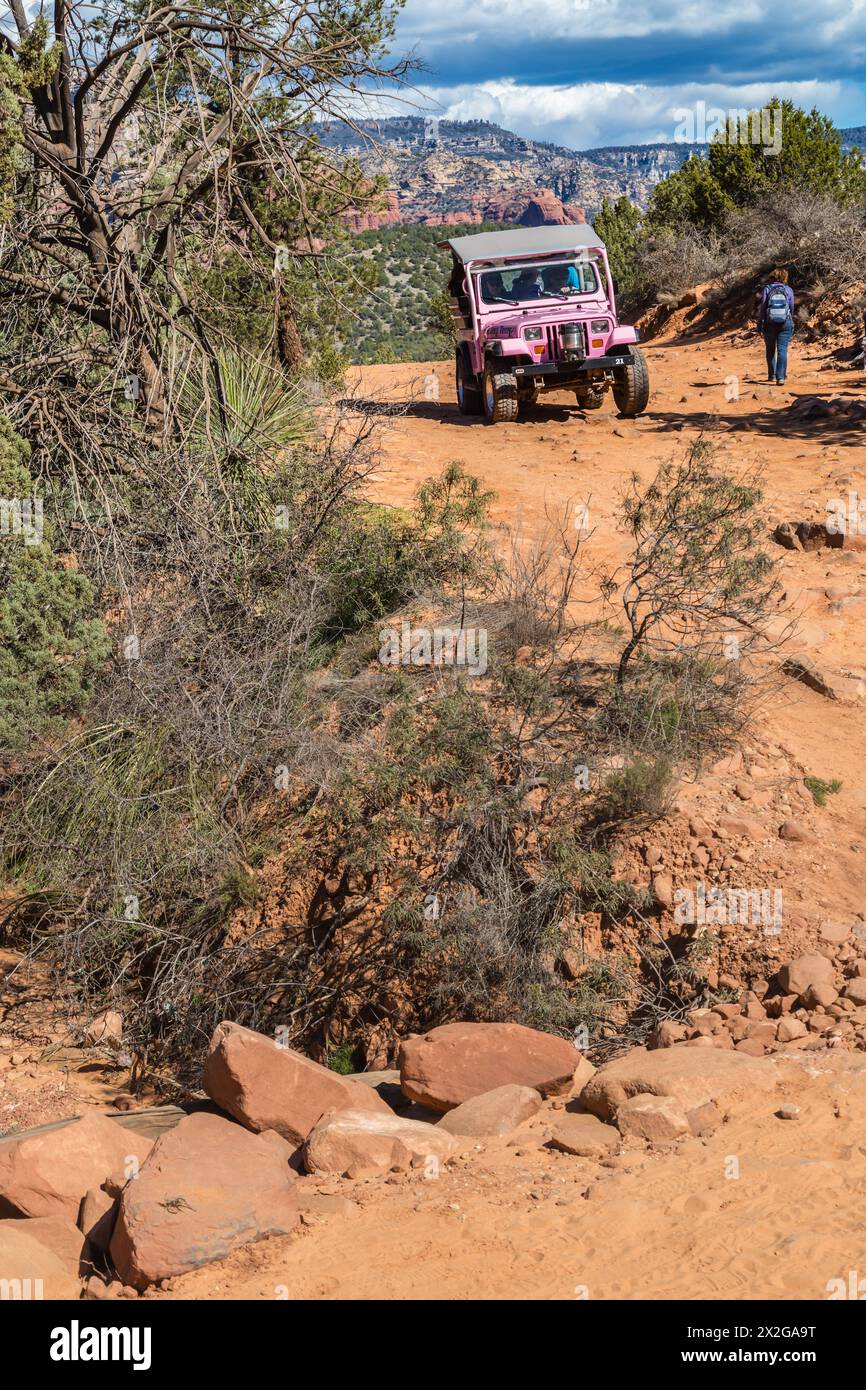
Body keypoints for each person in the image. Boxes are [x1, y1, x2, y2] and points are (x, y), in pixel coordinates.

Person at [757, 268, 794, 385]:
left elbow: (763, 307)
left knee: (770, 350)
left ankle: (772, 375)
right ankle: (781, 377)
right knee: (782, 349)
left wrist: (759, 322)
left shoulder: (767, 289)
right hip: (785, 322)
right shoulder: (788, 290)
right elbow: (792, 307)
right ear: (784, 277)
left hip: (769, 323)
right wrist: (789, 319)